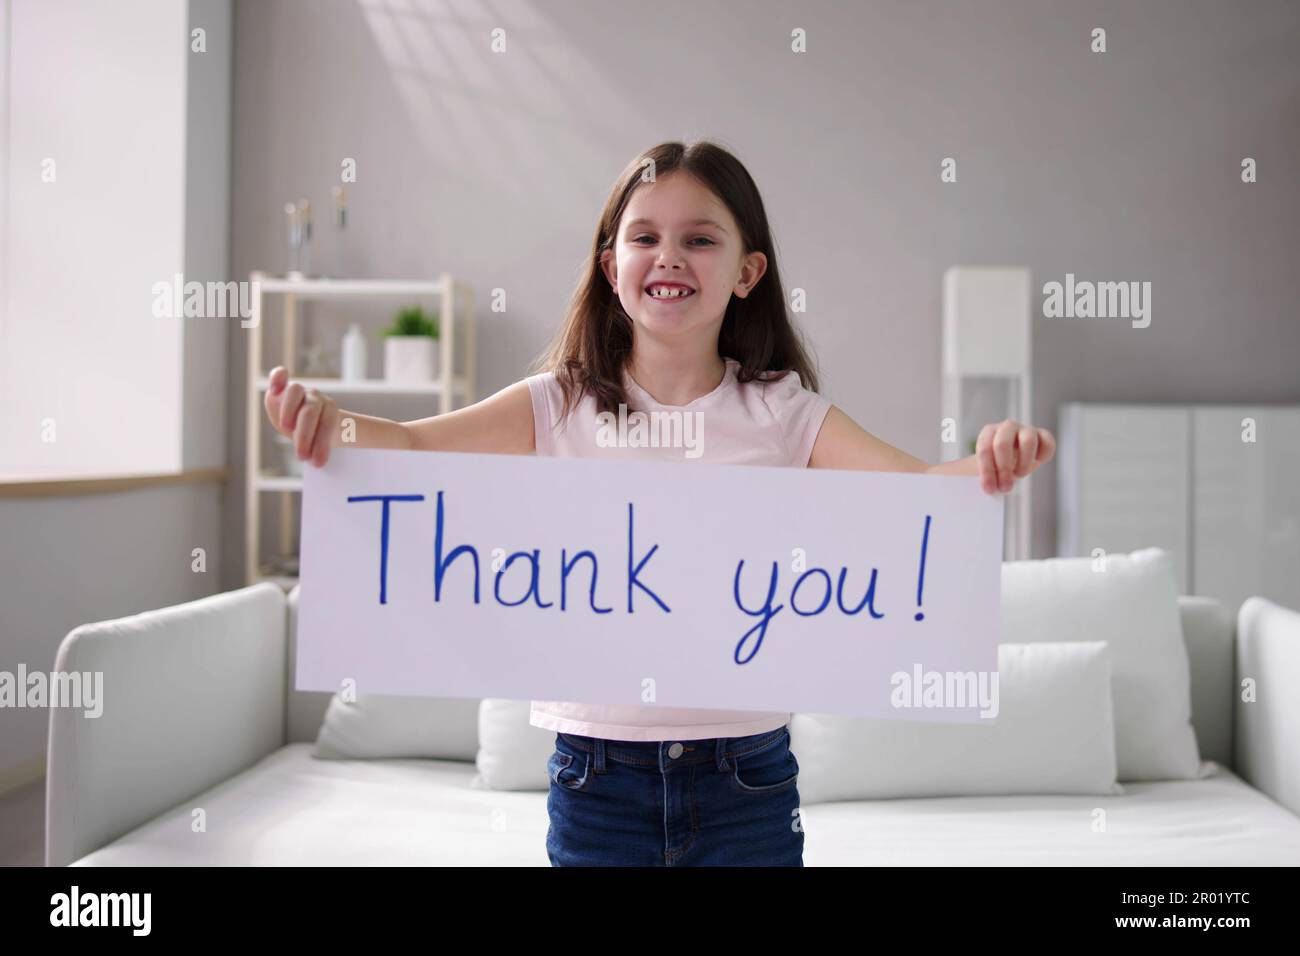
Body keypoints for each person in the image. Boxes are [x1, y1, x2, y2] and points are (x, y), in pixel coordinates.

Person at [264, 140, 1055, 866]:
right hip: (593, 777)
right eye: (644, 237)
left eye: (700, 239)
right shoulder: (558, 403)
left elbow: (915, 496)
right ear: (612, 267)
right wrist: (331, 423)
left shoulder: (784, 413)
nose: (668, 256)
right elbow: (417, 448)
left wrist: (990, 461)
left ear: (747, 272)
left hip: (745, 777)